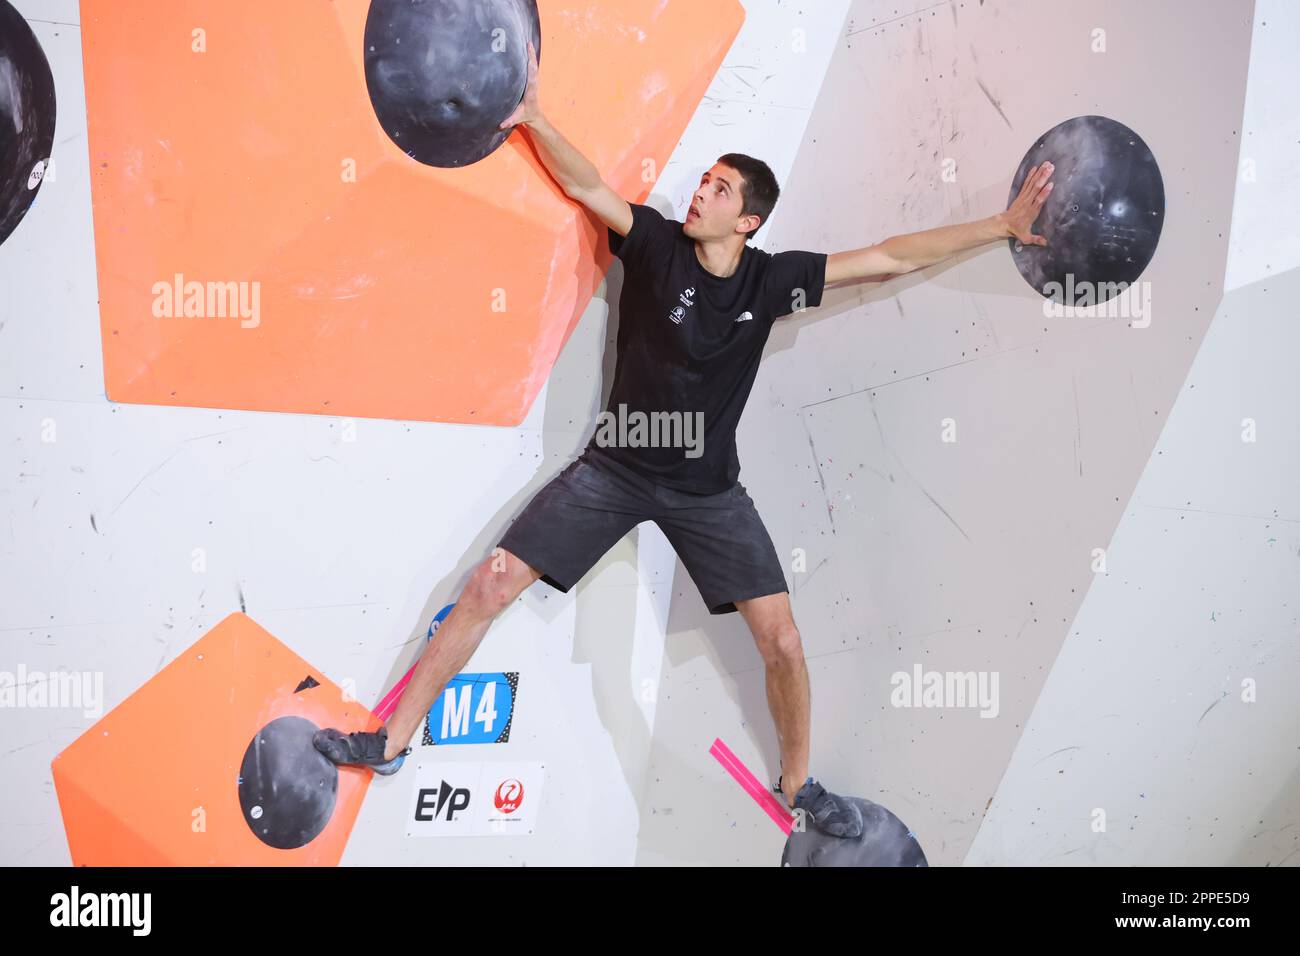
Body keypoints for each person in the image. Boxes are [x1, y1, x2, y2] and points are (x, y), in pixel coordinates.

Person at [315, 41, 1053, 835]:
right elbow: (588, 182)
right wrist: (532, 117)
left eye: (719, 189)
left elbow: (888, 256)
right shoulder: (659, 244)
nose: (700, 193)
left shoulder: (771, 278)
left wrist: (1001, 226)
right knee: (491, 582)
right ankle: (390, 740)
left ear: (750, 219)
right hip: (614, 470)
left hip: (709, 492)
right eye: (703, 180)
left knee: (785, 643)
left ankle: (800, 787)